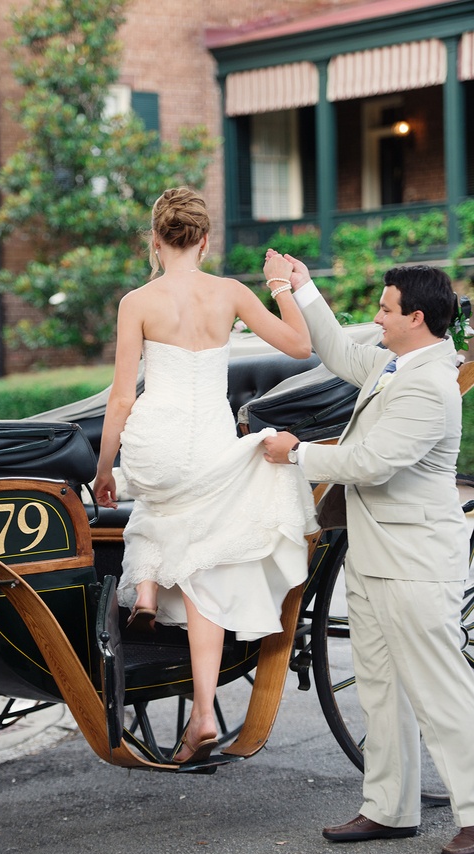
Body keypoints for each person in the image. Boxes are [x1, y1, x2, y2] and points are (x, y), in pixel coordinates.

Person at [262, 251, 474, 854]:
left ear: (416, 317)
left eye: (385, 309)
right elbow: (336, 351)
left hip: (415, 561)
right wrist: (304, 289)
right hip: (375, 553)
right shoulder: (393, 363)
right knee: (380, 689)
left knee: (440, 692)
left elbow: (372, 462)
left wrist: (296, 453)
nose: (376, 319)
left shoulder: (430, 384)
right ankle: (389, 809)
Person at [93, 188, 317, 764]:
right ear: (206, 240)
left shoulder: (136, 301)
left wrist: (104, 467)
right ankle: (202, 713)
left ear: (155, 240)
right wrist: (281, 286)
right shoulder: (230, 292)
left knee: (157, 498)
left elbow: (121, 398)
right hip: (211, 443)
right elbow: (300, 345)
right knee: (202, 566)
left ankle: (145, 584)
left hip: (155, 440)